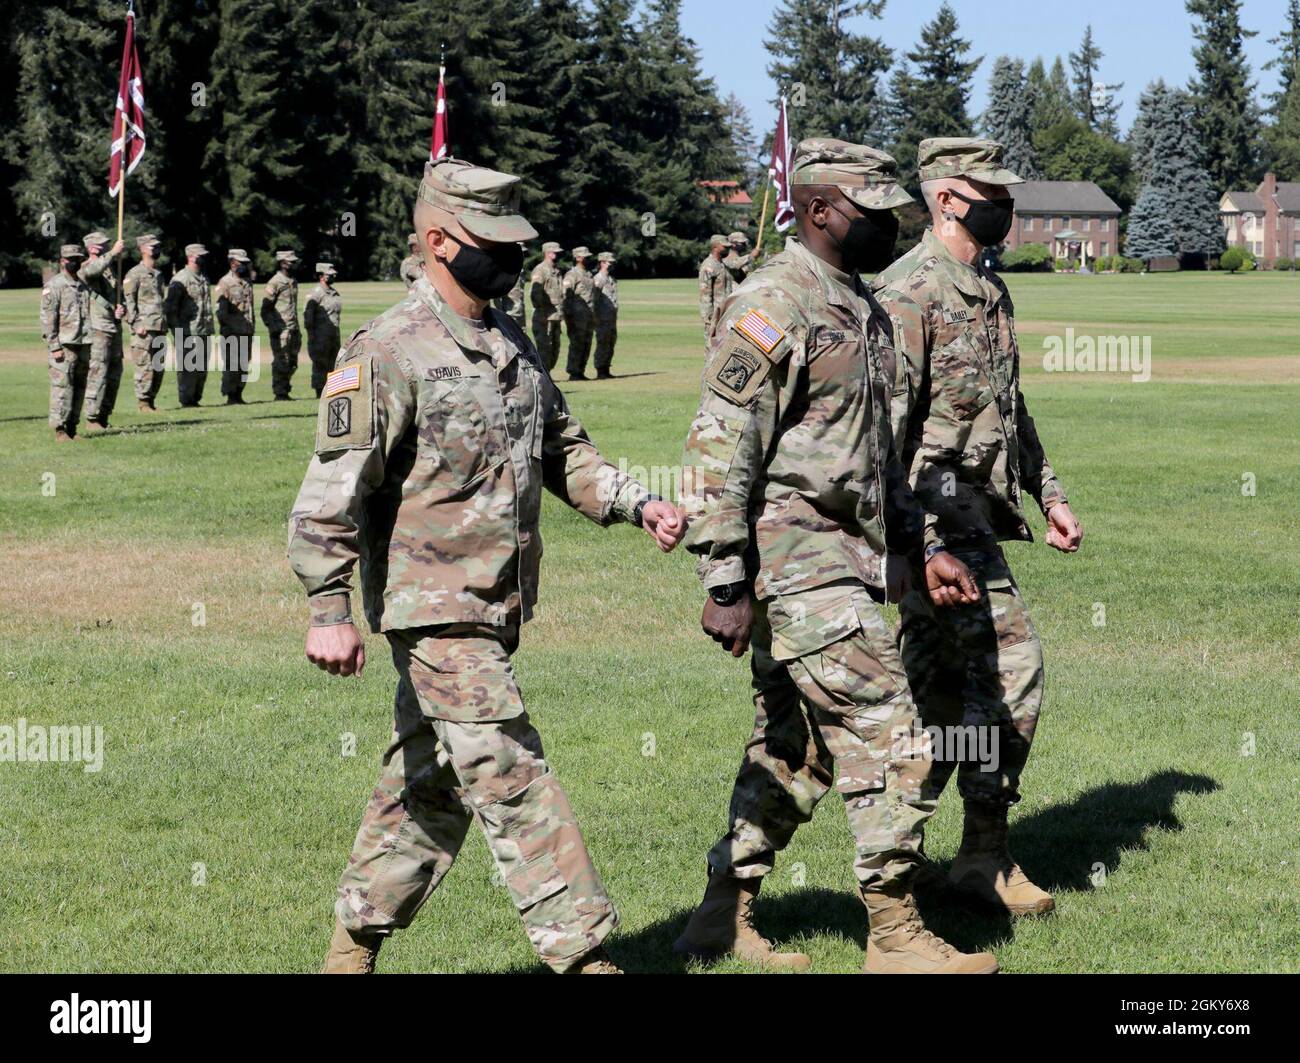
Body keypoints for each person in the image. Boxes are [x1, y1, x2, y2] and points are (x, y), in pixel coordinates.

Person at [288, 157, 687, 976]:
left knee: (428, 788)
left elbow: (563, 451)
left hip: (496, 605)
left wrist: (635, 501)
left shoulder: (512, 342)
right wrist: (328, 607)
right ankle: (583, 953)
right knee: (508, 766)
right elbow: (328, 489)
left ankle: (348, 950)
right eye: (492, 241)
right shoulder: (386, 349)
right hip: (431, 608)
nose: (508, 257)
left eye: (515, 241)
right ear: (438, 239)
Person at [674, 138, 997, 975]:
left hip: (847, 559)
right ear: (819, 210)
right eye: (871, 208)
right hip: (794, 559)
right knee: (898, 733)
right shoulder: (775, 300)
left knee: (794, 748)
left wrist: (916, 546)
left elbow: (879, 457)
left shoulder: (861, 305)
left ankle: (721, 913)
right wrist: (724, 578)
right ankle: (894, 934)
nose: (890, 223)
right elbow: (720, 445)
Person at [870, 137, 1084, 918]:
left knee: (934, 696)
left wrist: (1047, 490)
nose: (1006, 205)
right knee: (1010, 672)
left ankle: (907, 861)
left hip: (978, 519)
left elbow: (1009, 405)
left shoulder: (989, 293)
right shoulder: (907, 293)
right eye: (989, 191)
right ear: (945, 199)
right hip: (929, 521)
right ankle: (975, 855)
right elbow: (880, 438)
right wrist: (916, 545)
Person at [41, 245, 92, 441]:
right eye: (71, 259)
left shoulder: (82, 285)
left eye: (78, 259)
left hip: (83, 342)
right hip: (64, 344)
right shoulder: (54, 285)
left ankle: (72, 427)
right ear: (62, 261)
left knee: (79, 387)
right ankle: (60, 430)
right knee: (62, 387)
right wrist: (54, 346)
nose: (75, 262)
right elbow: (47, 319)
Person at [78, 231, 127, 430]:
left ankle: (104, 415)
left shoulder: (109, 270)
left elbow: (114, 295)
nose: (106, 247)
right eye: (102, 245)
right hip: (97, 327)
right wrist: (113, 254)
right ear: (91, 248)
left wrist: (120, 307)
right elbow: (91, 273)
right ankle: (92, 417)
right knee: (98, 371)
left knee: (115, 372)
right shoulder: (86, 267)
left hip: (112, 325)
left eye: (108, 245)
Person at [122, 234, 167, 412]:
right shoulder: (134, 274)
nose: (155, 250)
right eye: (151, 247)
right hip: (144, 328)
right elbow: (128, 301)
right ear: (142, 249)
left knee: (158, 366)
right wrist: (135, 323)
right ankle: (143, 402)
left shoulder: (158, 274)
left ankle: (152, 400)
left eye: (157, 247)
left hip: (159, 326)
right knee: (144, 366)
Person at [165, 243, 214, 407]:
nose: (205, 258)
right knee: (188, 370)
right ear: (191, 256)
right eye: (201, 255)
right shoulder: (181, 279)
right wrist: (177, 332)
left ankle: (195, 399)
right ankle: (186, 400)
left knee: (202, 369)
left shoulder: (204, 277)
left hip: (204, 330)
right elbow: (170, 308)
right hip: (187, 331)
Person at [214, 248, 255, 405]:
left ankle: (239, 393)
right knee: (232, 365)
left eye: (245, 263)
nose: (244, 266)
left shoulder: (247, 282)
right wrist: (228, 328)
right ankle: (231, 395)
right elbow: (220, 311)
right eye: (241, 263)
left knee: (244, 364)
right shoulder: (225, 283)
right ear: (232, 263)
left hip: (246, 331)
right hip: (232, 332)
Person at [261, 250, 301, 400]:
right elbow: (265, 309)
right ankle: (280, 392)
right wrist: (273, 327)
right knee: (281, 361)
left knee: (292, 362)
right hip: (280, 330)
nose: (294, 264)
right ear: (283, 263)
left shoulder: (293, 281)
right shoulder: (275, 282)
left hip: (293, 328)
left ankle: (285, 390)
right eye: (291, 261)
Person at [303, 262, 342, 397]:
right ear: (321, 276)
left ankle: (333, 390)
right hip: (320, 336)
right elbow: (308, 316)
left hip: (333, 335)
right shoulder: (316, 293)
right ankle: (320, 391)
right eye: (329, 275)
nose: (333, 276)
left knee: (334, 363)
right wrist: (311, 335)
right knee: (320, 364)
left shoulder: (334, 292)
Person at [529, 241, 564, 370]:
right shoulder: (540, 270)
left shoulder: (556, 270)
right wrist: (541, 311)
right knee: (544, 350)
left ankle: (547, 377)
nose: (557, 254)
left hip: (555, 316)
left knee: (555, 349)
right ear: (547, 252)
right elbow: (535, 293)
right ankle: (544, 378)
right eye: (554, 251)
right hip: (544, 317)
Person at [562, 246, 595, 380]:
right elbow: (566, 296)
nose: (587, 258)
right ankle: (574, 372)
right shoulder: (572, 275)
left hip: (588, 316)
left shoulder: (588, 274)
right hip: (576, 317)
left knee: (586, 343)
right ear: (578, 258)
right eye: (585, 256)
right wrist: (568, 317)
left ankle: (581, 370)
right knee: (577, 344)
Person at [592, 251, 618, 379]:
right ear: (602, 262)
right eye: (609, 262)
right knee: (602, 343)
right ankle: (600, 369)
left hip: (611, 319)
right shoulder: (598, 279)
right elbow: (594, 300)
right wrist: (595, 317)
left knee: (610, 343)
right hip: (602, 318)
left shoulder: (611, 279)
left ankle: (606, 368)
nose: (611, 265)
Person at [697, 234, 728, 342]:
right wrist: (709, 319)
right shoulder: (709, 266)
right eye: (725, 247)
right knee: (712, 347)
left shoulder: (721, 264)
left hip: (724, 313)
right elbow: (705, 294)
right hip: (715, 315)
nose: (727, 249)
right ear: (715, 247)